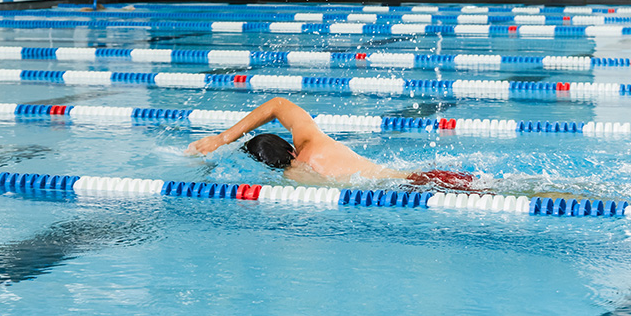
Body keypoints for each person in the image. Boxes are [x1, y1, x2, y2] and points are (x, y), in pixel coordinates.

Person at [186, 97, 477, 190]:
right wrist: (223, 138)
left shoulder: (294, 175)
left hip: (409, 188)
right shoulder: (311, 140)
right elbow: (277, 104)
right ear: (290, 147)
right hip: (419, 176)